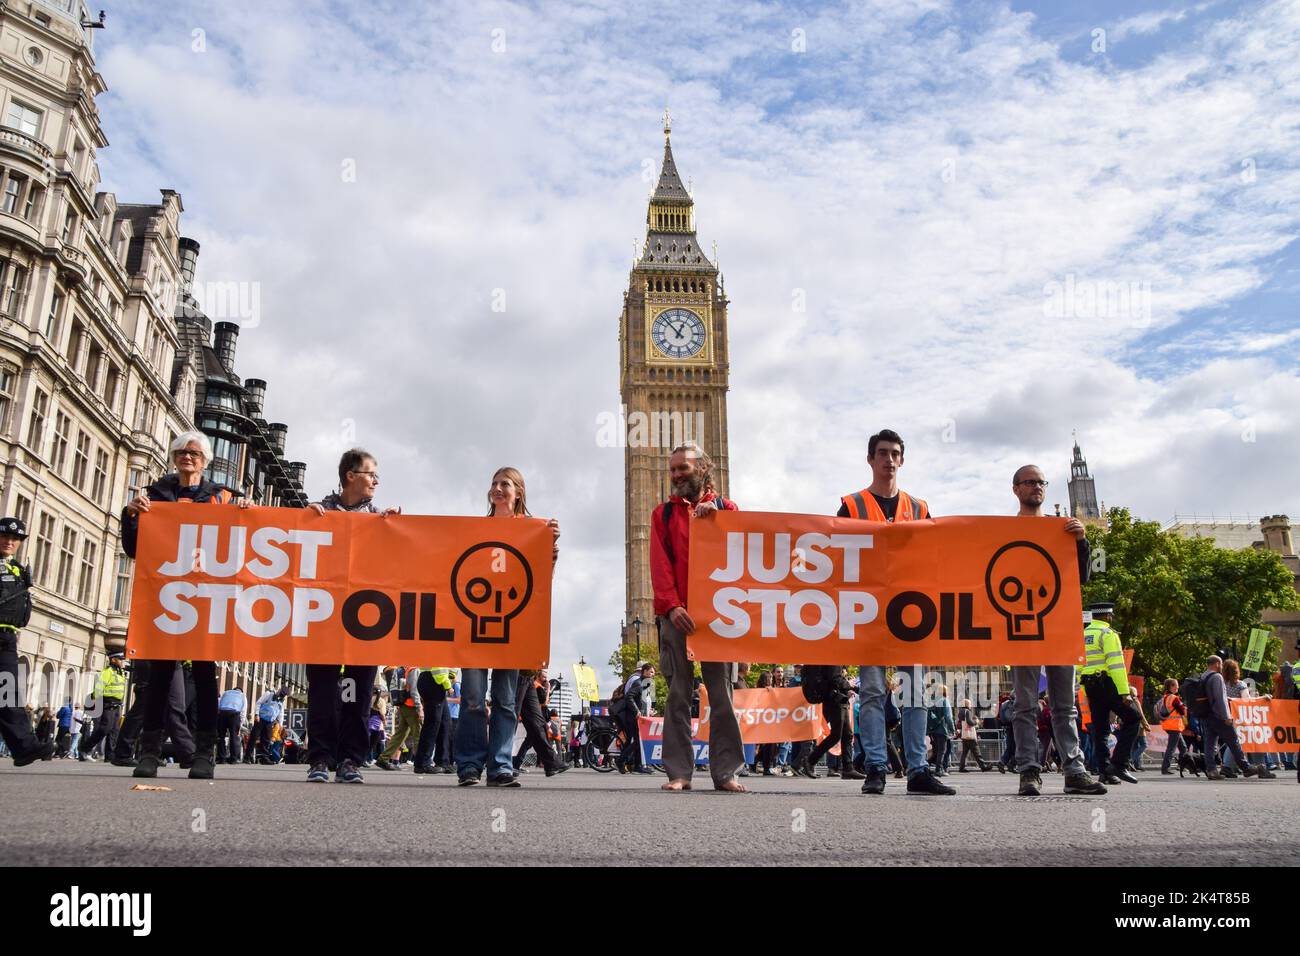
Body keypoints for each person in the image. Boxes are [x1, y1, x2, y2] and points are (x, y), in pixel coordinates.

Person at [121, 431, 252, 779]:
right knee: (160, 677)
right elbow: (134, 549)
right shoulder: (154, 494)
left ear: (205, 460)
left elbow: (243, 544)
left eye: (194, 453)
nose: (187, 457)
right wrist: (131, 516)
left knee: (206, 676)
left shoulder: (222, 498)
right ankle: (148, 753)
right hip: (166, 596)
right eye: (181, 451)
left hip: (206, 598)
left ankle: (204, 754)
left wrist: (249, 515)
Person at [840, 430, 951, 795]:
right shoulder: (851, 506)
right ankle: (875, 767)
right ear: (870, 459)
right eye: (883, 453)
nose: (889, 460)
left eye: (895, 454)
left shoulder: (919, 508)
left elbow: (936, 555)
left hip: (911, 613)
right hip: (868, 611)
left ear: (902, 461)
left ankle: (918, 769)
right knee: (871, 691)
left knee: (916, 692)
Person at [456, 467, 560, 787]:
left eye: (506, 484)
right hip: (473, 622)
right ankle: (470, 765)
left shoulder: (533, 530)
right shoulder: (474, 529)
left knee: (504, 699)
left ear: (519, 493)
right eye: (494, 484)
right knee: (473, 697)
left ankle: (499, 765)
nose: (498, 489)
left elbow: (541, 583)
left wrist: (550, 549)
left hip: (511, 624)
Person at [652, 443, 746, 794]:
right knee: (677, 693)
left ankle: (727, 772)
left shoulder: (727, 509)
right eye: (672, 469)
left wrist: (718, 520)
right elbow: (659, 564)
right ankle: (679, 772)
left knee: (722, 694)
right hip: (678, 616)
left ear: (703, 468)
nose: (676, 475)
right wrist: (672, 606)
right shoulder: (663, 514)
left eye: (683, 468)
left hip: (718, 615)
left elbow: (742, 552)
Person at [1009, 465, 1107, 796]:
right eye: (1030, 482)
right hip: (1021, 626)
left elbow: (1082, 577)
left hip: (1058, 624)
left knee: (1065, 705)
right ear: (1016, 489)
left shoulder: (1062, 529)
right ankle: (1029, 771)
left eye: (1041, 482)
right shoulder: (1003, 531)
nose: (1037, 487)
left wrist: (1082, 542)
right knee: (1025, 704)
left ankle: (1074, 771)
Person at [302, 448, 398, 784]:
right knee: (323, 690)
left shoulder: (380, 519)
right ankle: (320, 758)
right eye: (370, 473)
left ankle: (350, 760)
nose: (375, 480)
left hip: (365, 618)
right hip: (324, 617)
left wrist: (394, 530)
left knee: (359, 693)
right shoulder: (319, 513)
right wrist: (302, 520)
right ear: (350, 476)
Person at [0, 517, 55, 766]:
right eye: (4, 536)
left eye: (14, 539)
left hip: (7, 636)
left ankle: (24, 747)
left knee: (8, 692)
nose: (9, 541)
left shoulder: (18, 569)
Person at [1080, 603, 1141, 785]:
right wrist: (1124, 692)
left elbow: (1078, 665)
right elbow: (1116, 665)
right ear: (1108, 616)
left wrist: (1080, 690)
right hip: (1108, 684)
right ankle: (1119, 765)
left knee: (1101, 730)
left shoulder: (1082, 635)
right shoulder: (1108, 634)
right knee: (1133, 718)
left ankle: (1105, 772)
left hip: (1090, 686)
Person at [1199, 656, 1260, 781]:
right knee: (1234, 742)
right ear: (1216, 664)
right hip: (1219, 716)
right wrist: (1226, 716)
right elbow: (1220, 698)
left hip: (1206, 715)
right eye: (1220, 664)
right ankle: (1246, 768)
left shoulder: (1203, 676)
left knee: (1209, 744)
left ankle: (1211, 770)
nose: (1221, 667)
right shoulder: (1216, 677)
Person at [798, 665, 864, 780]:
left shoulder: (832, 659)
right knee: (836, 735)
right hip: (834, 700)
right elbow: (835, 679)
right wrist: (850, 684)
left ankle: (848, 768)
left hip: (837, 699)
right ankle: (810, 760)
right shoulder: (834, 659)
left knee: (847, 734)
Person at [1222, 659, 1275, 779]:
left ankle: (1227, 766)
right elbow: (1247, 700)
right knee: (1256, 738)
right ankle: (1260, 767)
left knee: (1233, 741)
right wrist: (1263, 697)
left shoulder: (1221, 684)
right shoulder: (1240, 684)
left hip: (1226, 716)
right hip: (1242, 717)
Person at [77, 652, 127, 761]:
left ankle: (110, 756)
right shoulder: (107, 672)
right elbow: (99, 687)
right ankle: (85, 748)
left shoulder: (120, 673)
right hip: (108, 703)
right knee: (105, 728)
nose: (122, 661)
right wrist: (95, 700)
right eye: (120, 659)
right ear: (113, 660)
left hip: (117, 704)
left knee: (114, 730)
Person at [377, 667, 421, 770]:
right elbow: (414, 690)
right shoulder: (413, 669)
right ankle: (420, 762)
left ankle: (383, 758)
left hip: (402, 705)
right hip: (412, 706)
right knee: (418, 735)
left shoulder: (401, 669)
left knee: (399, 735)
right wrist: (419, 707)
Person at [413, 666, 453, 774]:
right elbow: (438, 668)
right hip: (434, 680)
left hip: (432, 679)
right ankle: (422, 763)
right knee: (432, 724)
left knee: (445, 724)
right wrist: (448, 685)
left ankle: (443, 762)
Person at [1156, 678, 1188, 774]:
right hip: (1174, 726)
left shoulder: (1165, 696)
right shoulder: (1174, 698)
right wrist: (1185, 707)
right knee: (1171, 748)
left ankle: (1184, 766)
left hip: (1168, 725)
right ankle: (1165, 768)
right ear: (1171, 686)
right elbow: (1182, 711)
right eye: (1176, 685)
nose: (1178, 687)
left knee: (1183, 748)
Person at [254, 688, 287, 763]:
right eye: (280, 694)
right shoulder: (269, 694)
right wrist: (256, 714)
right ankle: (248, 757)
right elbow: (258, 703)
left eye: (283, 695)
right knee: (254, 737)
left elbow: (281, 714)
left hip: (270, 721)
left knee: (266, 739)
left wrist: (280, 725)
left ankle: (265, 758)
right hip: (261, 718)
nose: (280, 696)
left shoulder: (281, 701)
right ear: (278, 690)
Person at [955, 698, 988, 772]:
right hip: (970, 735)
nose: (971, 705)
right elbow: (970, 722)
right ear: (967, 705)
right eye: (969, 704)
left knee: (965, 753)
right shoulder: (967, 711)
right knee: (976, 751)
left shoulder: (960, 712)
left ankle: (962, 767)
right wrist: (976, 722)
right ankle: (983, 766)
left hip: (964, 735)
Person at [217, 684, 245, 764]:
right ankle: (233, 759)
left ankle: (222, 758)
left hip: (222, 713)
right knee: (233, 736)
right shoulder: (242, 696)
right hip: (234, 714)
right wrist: (240, 724)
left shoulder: (226, 693)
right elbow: (243, 710)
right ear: (241, 691)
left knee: (221, 736)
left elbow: (219, 703)